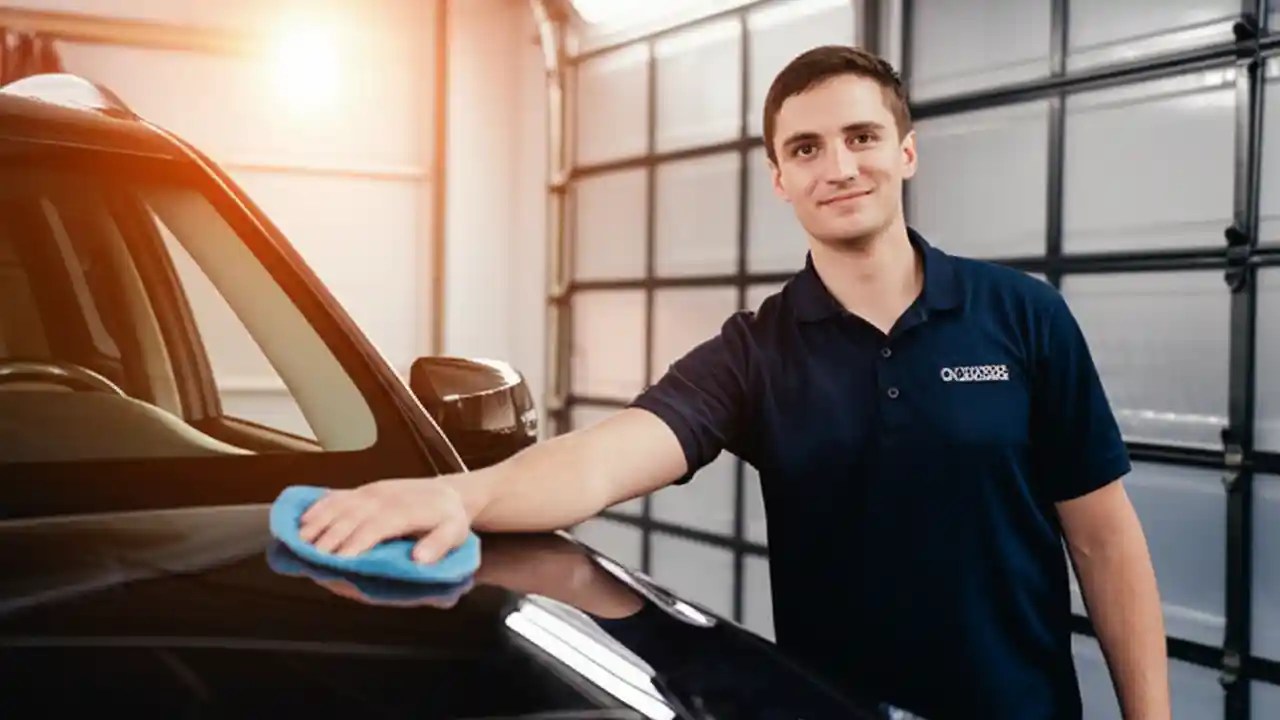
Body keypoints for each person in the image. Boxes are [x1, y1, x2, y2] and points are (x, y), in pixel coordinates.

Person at [297, 44, 1170, 719]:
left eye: (862, 137)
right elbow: (603, 461)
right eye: (808, 147)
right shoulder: (757, 352)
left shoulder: (1023, 317)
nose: (840, 166)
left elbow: (1103, 542)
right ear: (780, 178)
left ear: (905, 152)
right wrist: (459, 495)